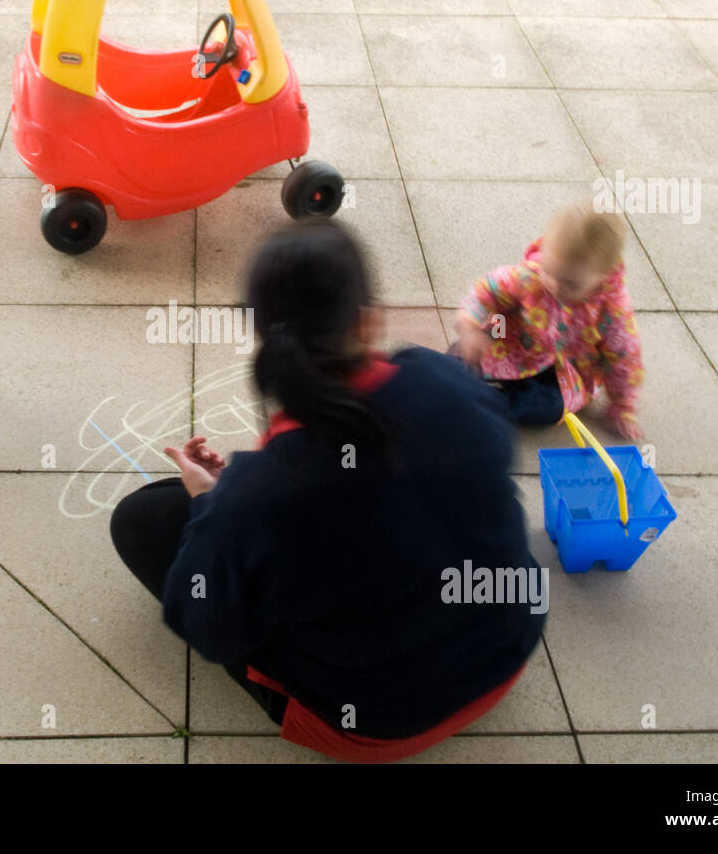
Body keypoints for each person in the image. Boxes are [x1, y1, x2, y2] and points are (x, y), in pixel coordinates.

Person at [110, 218, 546, 763]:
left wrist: (210, 507)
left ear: (266, 336)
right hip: (508, 647)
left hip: (381, 724)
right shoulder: (449, 380)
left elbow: (214, 632)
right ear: (367, 323)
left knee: (142, 519)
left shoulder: (256, 496)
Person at [452, 198, 644, 439]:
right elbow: (487, 290)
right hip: (511, 336)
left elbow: (624, 359)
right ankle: (453, 379)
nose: (554, 285)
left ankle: (489, 404)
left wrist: (623, 405)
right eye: (549, 271)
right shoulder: (530, 274)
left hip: (565, 370)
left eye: (571, 283)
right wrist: (470, 325)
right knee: (464, 352)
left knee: (549, 406)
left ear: (602, 277)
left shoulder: (612, 312)